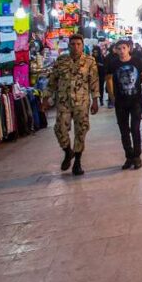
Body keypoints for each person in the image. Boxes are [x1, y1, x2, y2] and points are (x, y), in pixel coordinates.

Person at [49, 34, 99, 176]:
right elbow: (52, 80)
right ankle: (67, 151)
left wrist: (95, 100)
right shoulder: (61, 61)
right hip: (64, 102)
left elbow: (94, 81)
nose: (76, 47)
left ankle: (77, 162)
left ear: (83, 46)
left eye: (78, 44)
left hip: (82, 103)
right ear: (69, 45)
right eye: (73, 44)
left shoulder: (90, 61)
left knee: (81, 131)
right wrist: (46, 97)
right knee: (60, 129)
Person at [106, 40, 142, 170]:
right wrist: (111, 95)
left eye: (124, 48)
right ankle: (129, 156)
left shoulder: (137, 61)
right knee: (124, 130)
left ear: (129, 48)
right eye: (119, 48)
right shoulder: (113, 63)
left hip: (136, 101)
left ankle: (137, 156)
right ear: (115, 50)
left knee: (135, 128)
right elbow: (108, 78)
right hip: (120, 102)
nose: (121, 51)